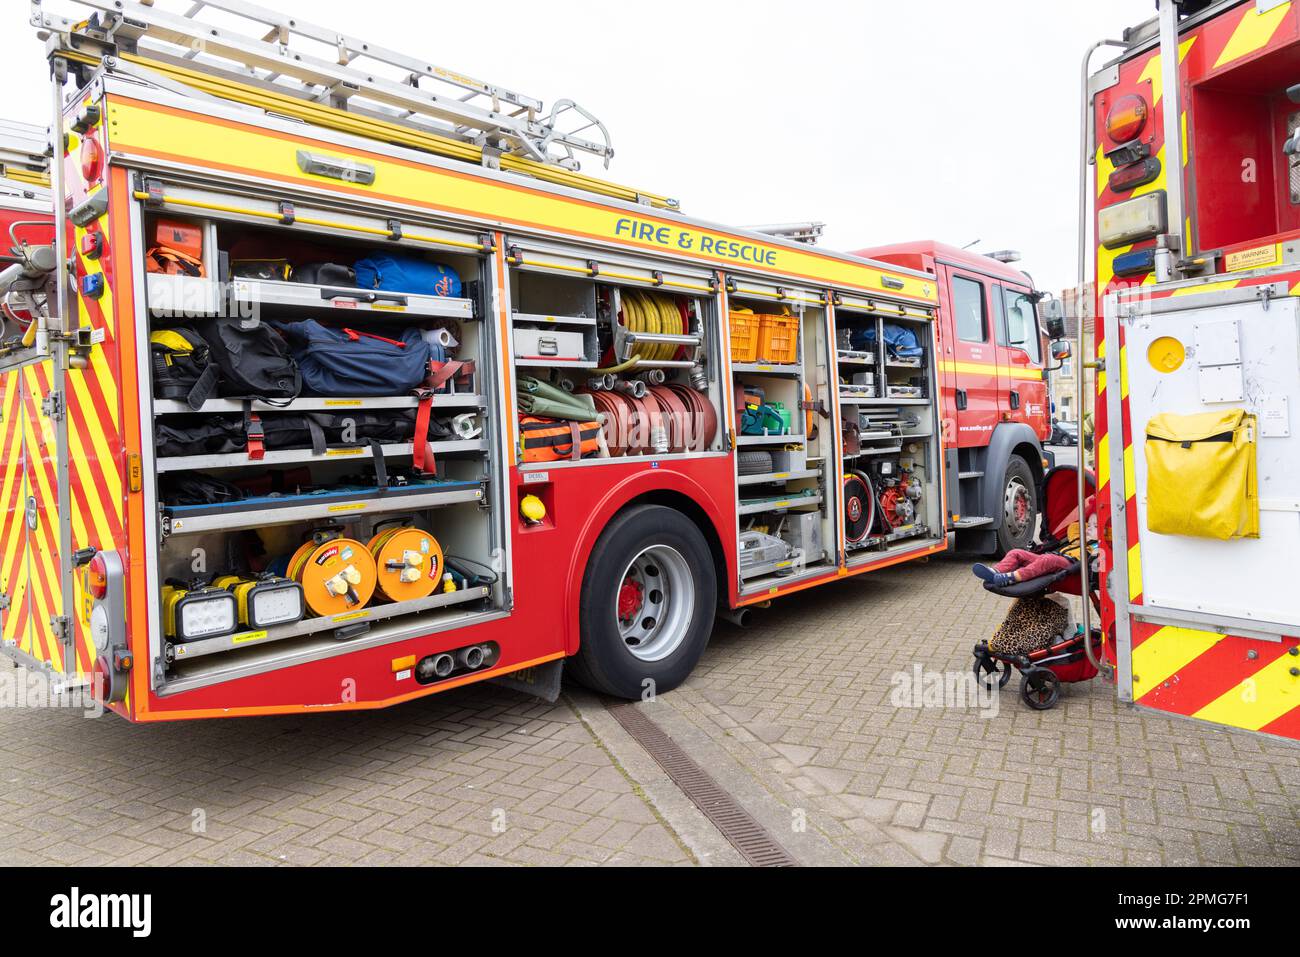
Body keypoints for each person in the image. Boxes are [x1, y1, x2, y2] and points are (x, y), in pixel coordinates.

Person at [972, 497, 1096, 587]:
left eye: (1095, 526)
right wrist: (1089, 526)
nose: (1089, 528)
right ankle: (996, 571)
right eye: (1088, 525)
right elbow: (1074, 527)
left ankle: (1013, 577)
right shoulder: (1078, 539)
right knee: (1016, 552)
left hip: (1071, 565)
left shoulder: (1100, 546)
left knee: (1048, 560)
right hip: (1054, 558)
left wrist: (1100, 534)